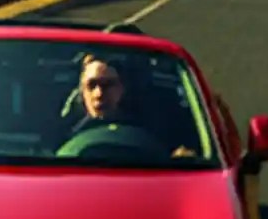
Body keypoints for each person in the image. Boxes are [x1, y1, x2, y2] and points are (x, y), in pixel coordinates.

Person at [63, 54, 196, 158]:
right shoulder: (63, 133)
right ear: (82, 93)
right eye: (91, 85)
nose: (98, 94)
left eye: (108, 85)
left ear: (122, 88)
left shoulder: (159, 127)